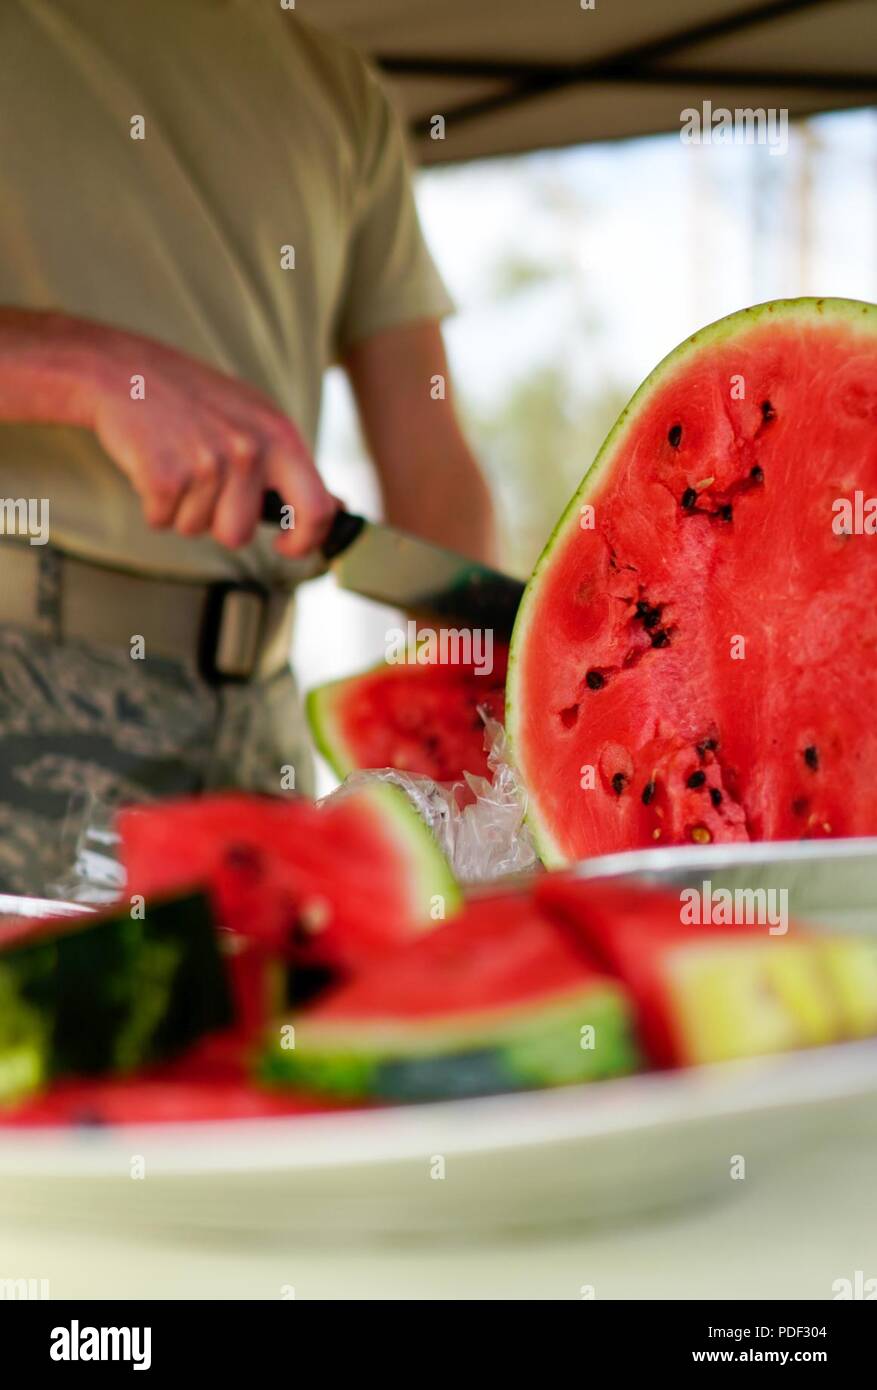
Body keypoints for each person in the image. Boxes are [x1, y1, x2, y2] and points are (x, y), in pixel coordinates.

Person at [0, 1, 494, 894]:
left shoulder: (338, 84)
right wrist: (91, 372)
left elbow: (429, 457)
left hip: (261, 721)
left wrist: (496, 721)